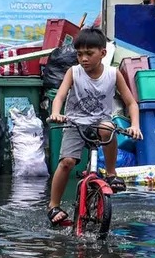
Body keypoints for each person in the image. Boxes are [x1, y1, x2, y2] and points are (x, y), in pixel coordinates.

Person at [46, 27, 143, 227]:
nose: (83, 59)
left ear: (103, 53)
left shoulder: (113, 74)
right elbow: (60, 96)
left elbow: (131, 103)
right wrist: (56, 113)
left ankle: (111, 173)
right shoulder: (73, 72)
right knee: (67, 163)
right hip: (74, 122)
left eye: (89, 54)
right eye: (79, 54)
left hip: (100, 123)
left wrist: (135, 125)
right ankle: (53, 205)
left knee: (108, 127)